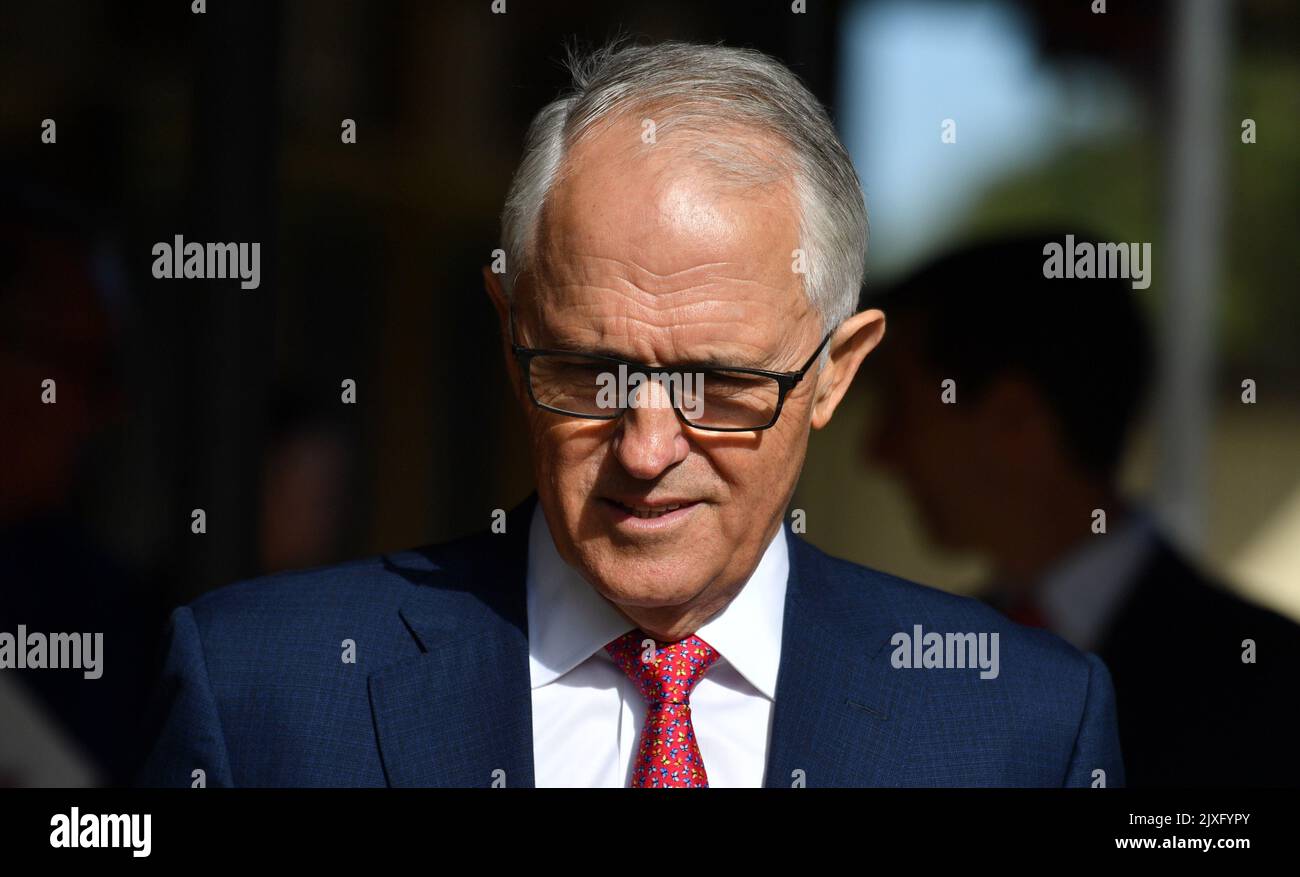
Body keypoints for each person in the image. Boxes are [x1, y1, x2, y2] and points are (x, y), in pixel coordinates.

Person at [137, 41, 1122, 788]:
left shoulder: (1016, 728)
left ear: (833, 372)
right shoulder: (263, 693)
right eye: (588, 372)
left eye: (721, 386)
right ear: (509, 332)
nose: (648, 449)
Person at [864, 232, 1300, 786]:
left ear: (1013, 418)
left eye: (900, 406)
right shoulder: (915, 663)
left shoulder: (1271, 685)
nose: (876, 452)